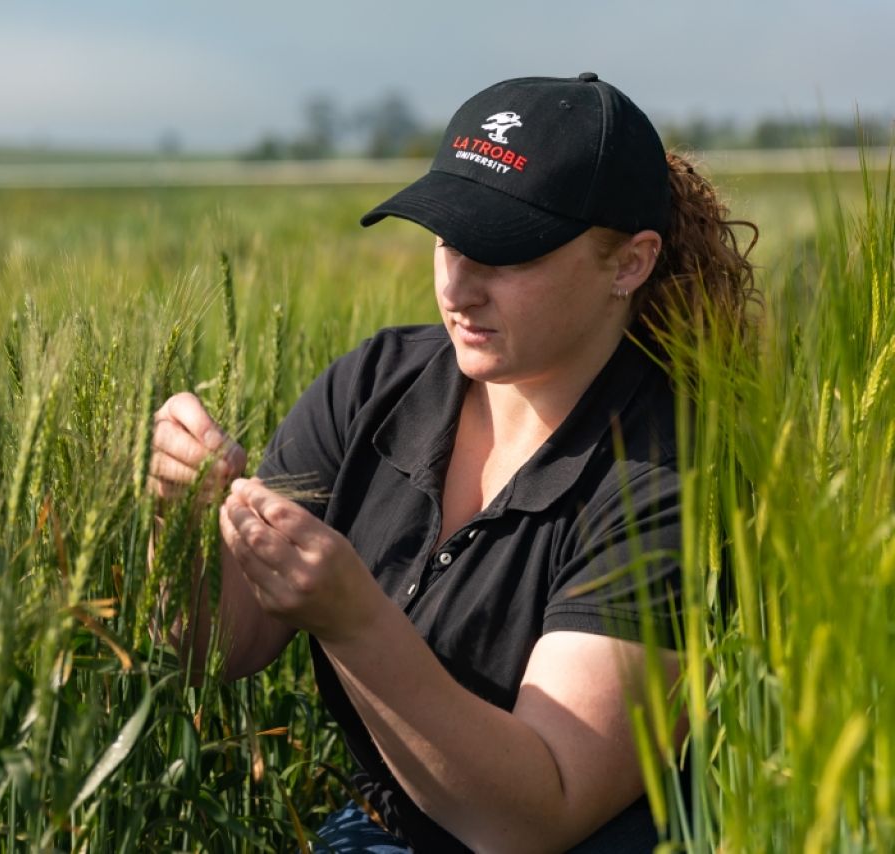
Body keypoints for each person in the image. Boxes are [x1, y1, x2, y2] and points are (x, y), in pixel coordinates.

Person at [149, 73, 755, 852]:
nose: (457, 287)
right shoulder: (374, 387)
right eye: (447, 239)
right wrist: (187, 522)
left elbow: (537, 815)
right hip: (378, 829)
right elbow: (217, 651)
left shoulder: (671, 478)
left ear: (629, 264)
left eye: (506, 252)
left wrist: (354, 620)